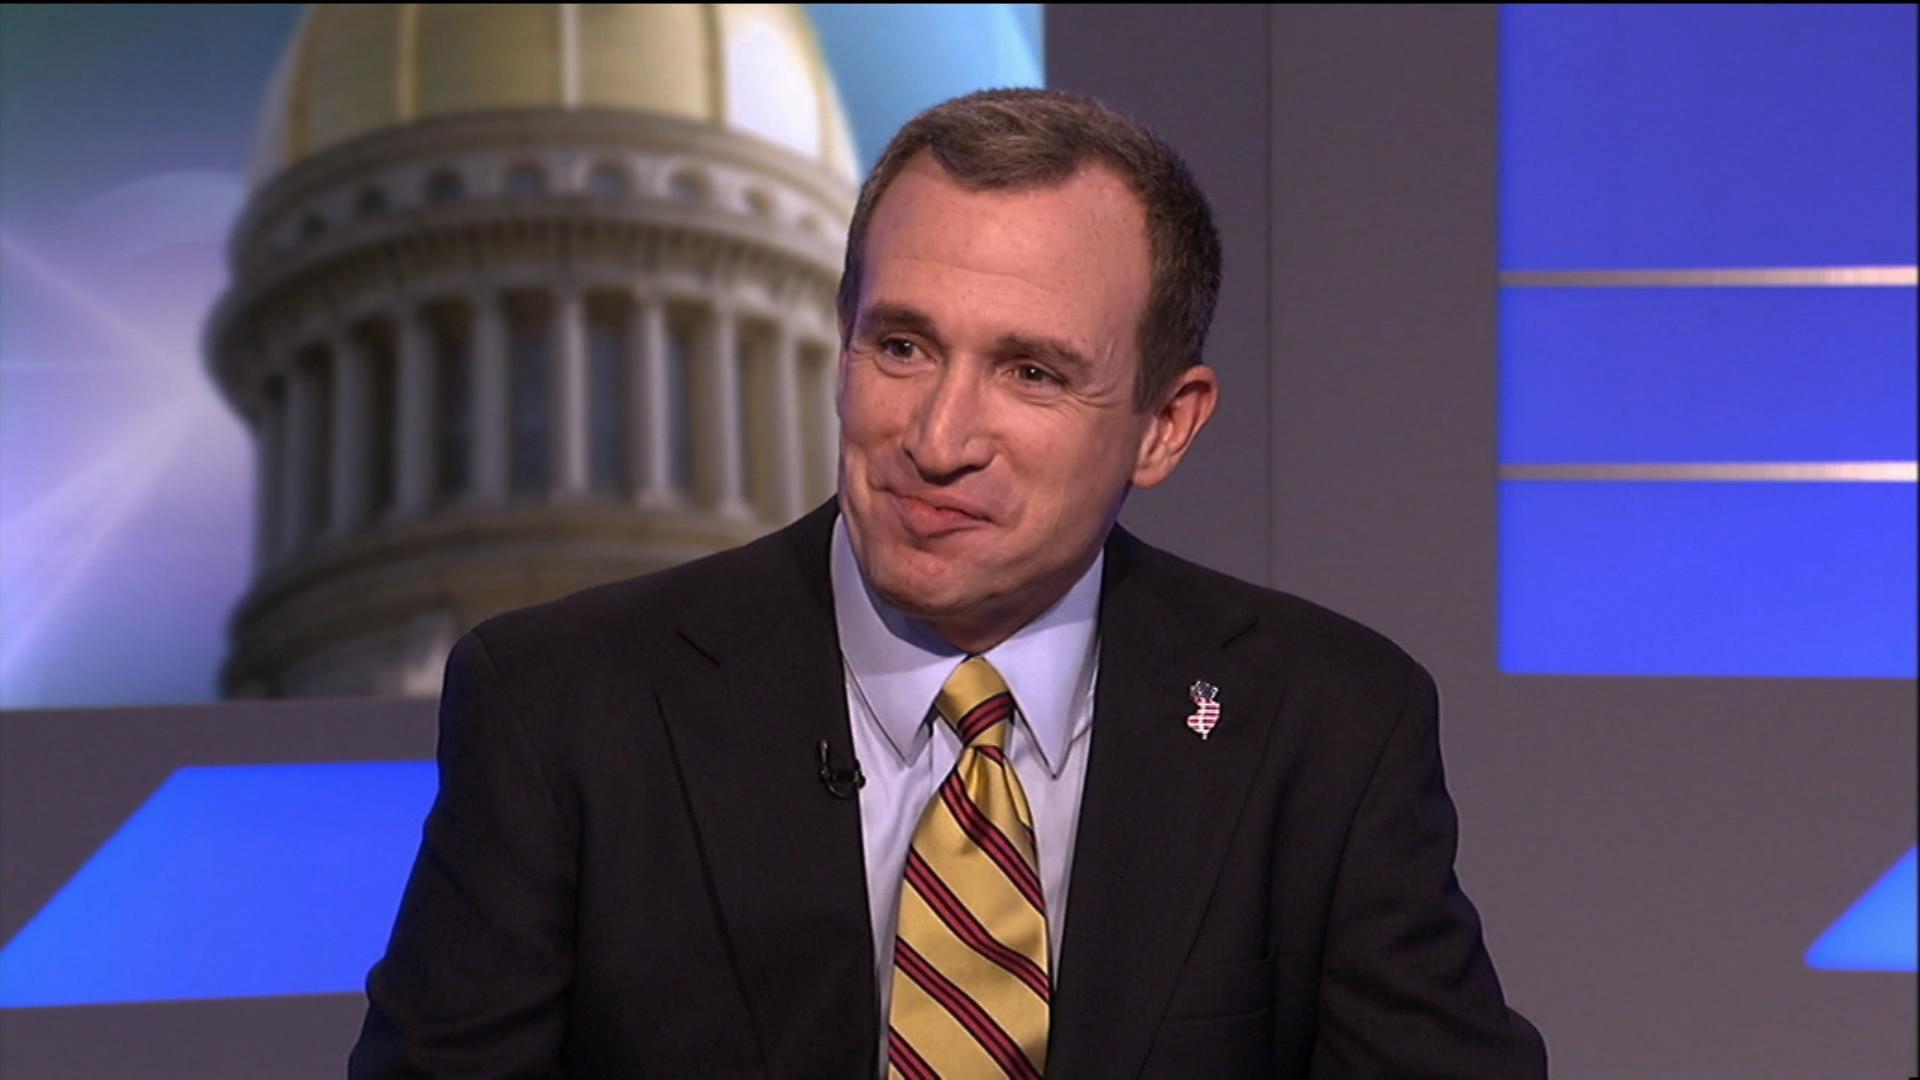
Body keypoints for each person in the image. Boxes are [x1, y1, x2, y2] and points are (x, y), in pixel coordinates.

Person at [351, 88, 1546, 1078]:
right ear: (842, 346)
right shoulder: (567, 708)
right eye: (903, 346)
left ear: (1165, 426)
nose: (937, 438)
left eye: (1031, 373)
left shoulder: (1322, 727)